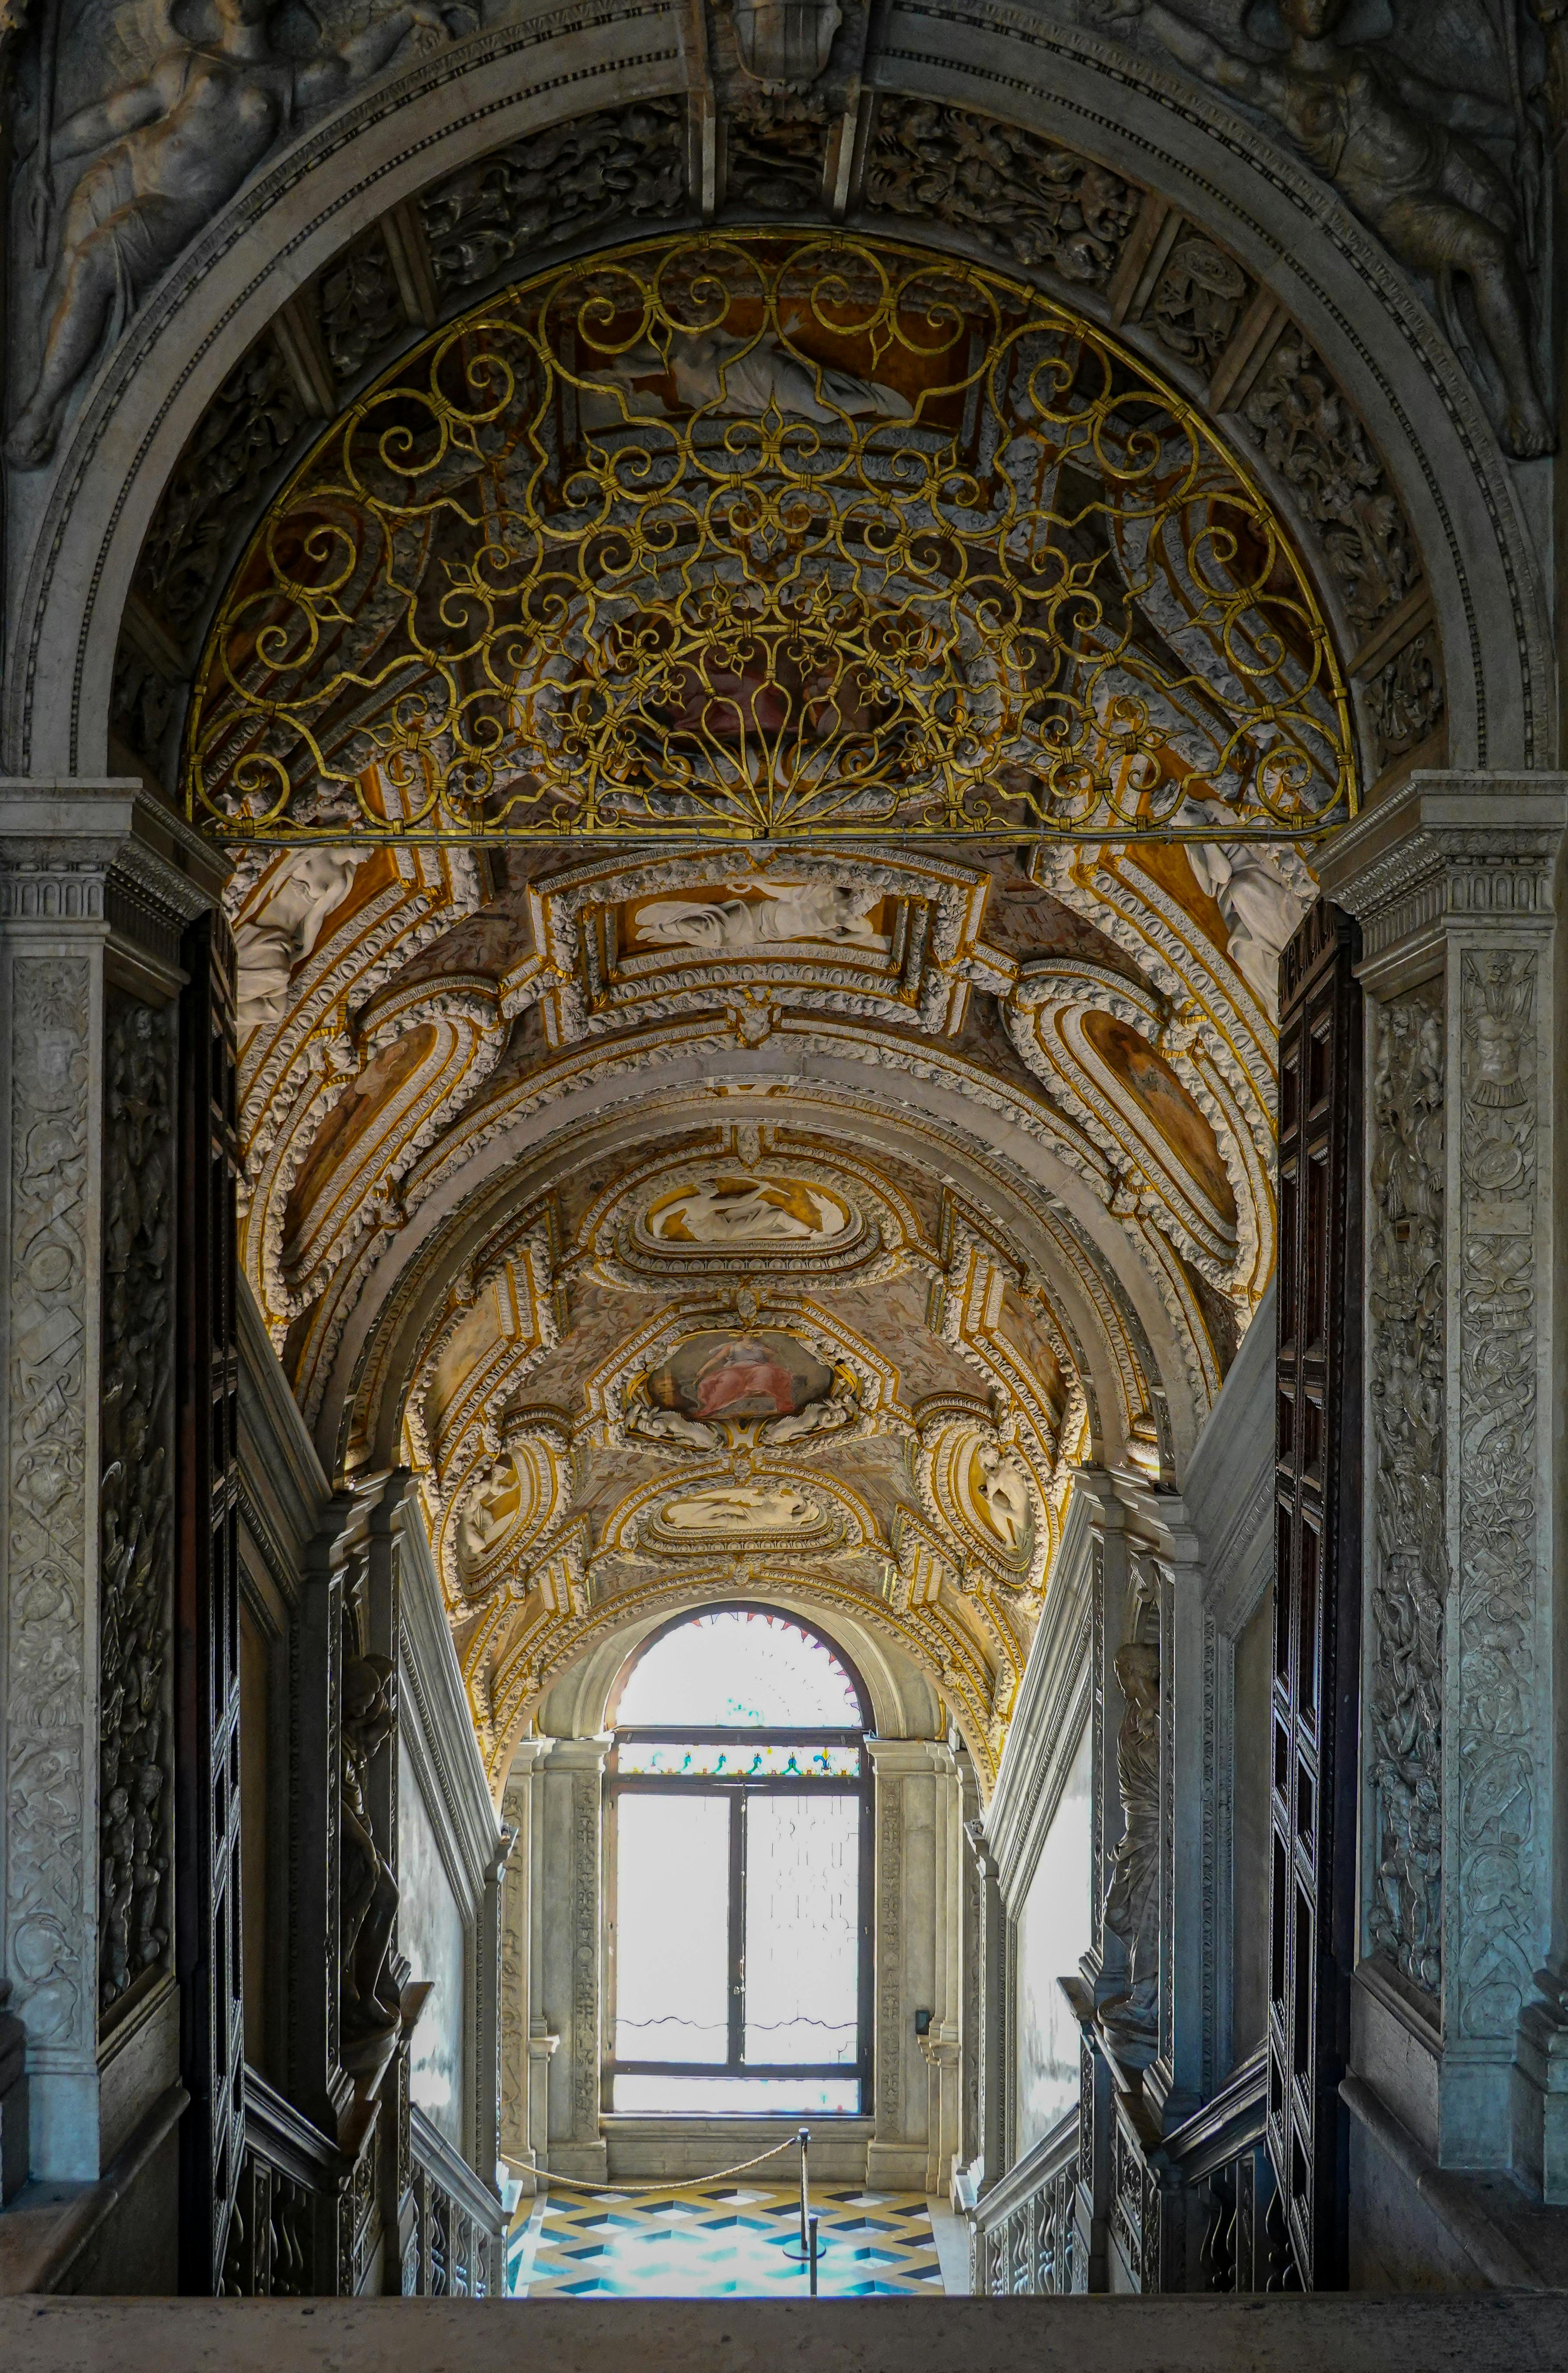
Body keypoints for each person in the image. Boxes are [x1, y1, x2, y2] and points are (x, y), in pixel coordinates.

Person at [8, 0, 457, 468]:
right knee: (64, 280)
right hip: (121, 170)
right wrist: (42, 153)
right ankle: (55, 408)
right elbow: (110, 117)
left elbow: (346, 66)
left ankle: (40, 409)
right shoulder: (186, 63)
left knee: (90, 265)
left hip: (175, 206)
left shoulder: (287, 77)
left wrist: (404, 17)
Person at [1100, 0, 1554, 457]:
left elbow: (1446, 106)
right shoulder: (1281, 86)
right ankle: (1525, 403)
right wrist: (1151, 13)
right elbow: (1212, 62)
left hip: (1453, 162)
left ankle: (1515, 371)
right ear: (1281, 6)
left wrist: (1516, 126)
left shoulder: (1369, 61)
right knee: (1487, 252)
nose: (1319, 5)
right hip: (1400, 206)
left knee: (1518, 245)